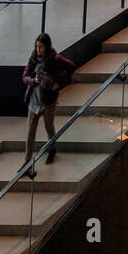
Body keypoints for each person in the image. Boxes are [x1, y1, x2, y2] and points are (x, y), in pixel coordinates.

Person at [22, 33, 75, 167]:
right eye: (36, 46)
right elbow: (25, 76)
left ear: (46, 47)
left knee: (48, 127)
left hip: (48, 102)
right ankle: (27, 161)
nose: (38, 49)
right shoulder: (33, 58)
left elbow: (71, 67)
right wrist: (33, 81)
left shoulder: (55, 59)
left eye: (40, 47)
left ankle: (52, 149)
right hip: (34, 101)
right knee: (30, 132)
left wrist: (59, 84)